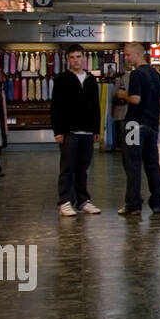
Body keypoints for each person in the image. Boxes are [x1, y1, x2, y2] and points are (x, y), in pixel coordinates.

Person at [50, 43, 102, 217]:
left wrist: (96, 129)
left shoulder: (91, 79)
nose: (76, 60)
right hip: (69, 132)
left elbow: (96, 106)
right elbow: (56, 106)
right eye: (72, 57)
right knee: (67, 168)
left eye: (78, 57)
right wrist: (58, 131)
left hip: (87, 132)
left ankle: (83, 200)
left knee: (83, 168)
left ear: (84, 58)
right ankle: (64, 201)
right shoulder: (62, 79)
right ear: (67, 60)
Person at [118, 41, 160, 216]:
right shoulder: (156, 74)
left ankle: (133, 204)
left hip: (134, 124)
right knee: (152, 164)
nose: (126, 58)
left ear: (138, 54)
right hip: (152, 124)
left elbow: (135, 99)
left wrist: (123, 95)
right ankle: (158, 203)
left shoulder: (136, 74)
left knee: (133, 164)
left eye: (128, 54)